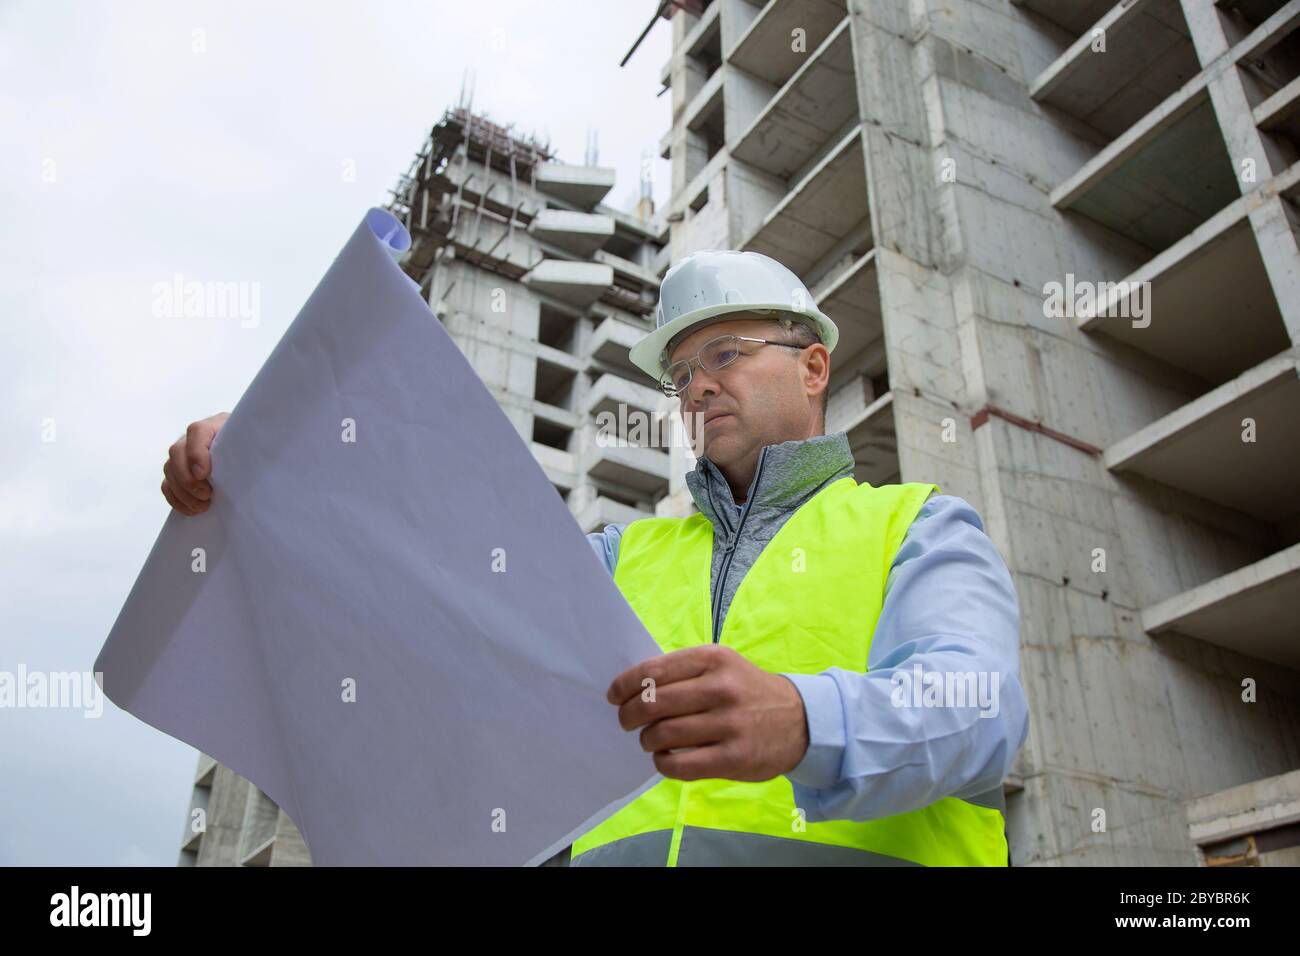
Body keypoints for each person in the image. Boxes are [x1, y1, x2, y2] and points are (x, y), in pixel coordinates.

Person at [161, 248, 1028, 867]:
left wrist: (804, 721)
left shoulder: (917, 526)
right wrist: (279, 466)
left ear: (812, 367)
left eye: (724, 354)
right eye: (681, 372)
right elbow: (442, 586)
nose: (697, 387)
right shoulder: (622, 557)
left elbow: (977, 710)